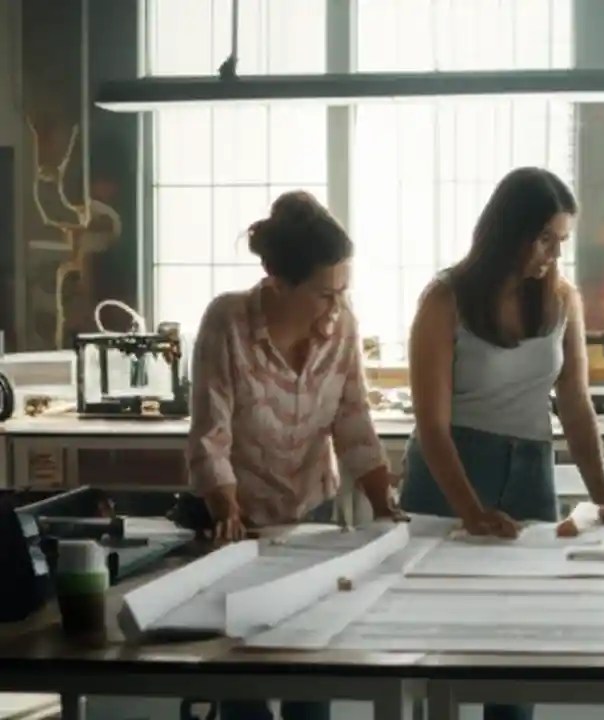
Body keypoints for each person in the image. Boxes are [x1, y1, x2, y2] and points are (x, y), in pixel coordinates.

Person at [399, 166, 604, 720]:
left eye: (560, 242)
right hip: (451, 471)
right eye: (543, 239)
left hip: (532, 469)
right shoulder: (445, 300)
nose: (552, 255)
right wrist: (471, 510)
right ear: (506, 231)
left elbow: (577, 408)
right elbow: (432, 425)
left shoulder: (561, 300)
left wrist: (602, 497)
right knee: (434, 640)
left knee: (519, 642)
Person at [186, 191, 404, 720]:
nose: (337, 304)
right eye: (325, 293)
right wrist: (228, 512)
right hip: (239, 523)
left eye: (343, 290)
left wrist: (384, 503)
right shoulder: (228, 322)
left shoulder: (341, 325)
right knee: (243, 681)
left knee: (312, 671)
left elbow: (352, 418)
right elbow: (210, 435)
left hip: (313, 515)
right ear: (278, 282)